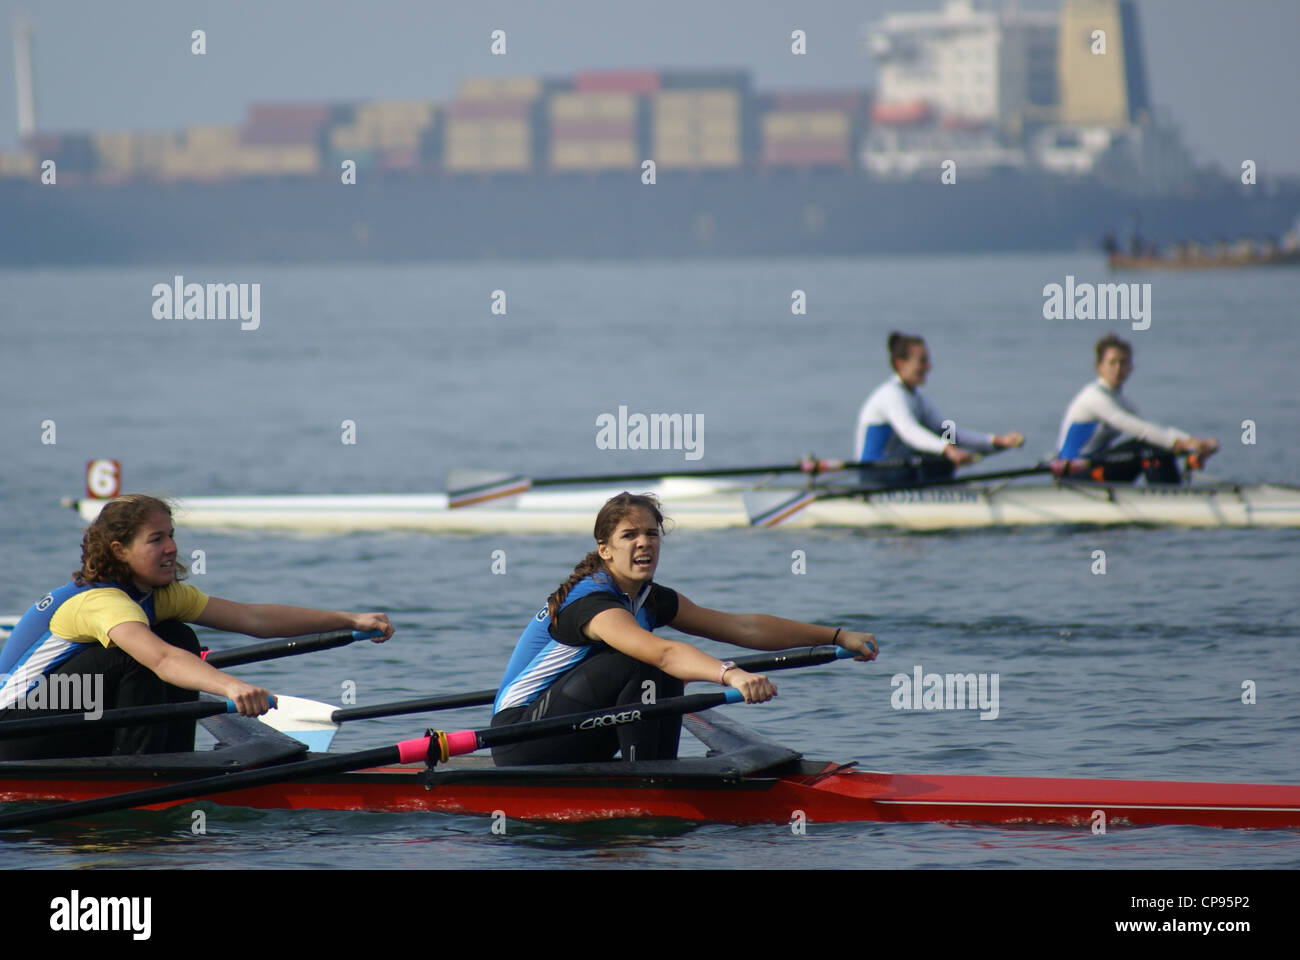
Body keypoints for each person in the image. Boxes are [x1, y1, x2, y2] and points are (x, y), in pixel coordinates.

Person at [490, 492, 878, 766]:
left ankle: (657, 769)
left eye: (652, 534)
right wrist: (732, 675)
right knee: (647, 660)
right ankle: (648, 779)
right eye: (630, 536)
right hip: (520, 738)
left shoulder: (650, 597)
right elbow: (664, 654)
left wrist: (836, 636)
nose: (644, 544)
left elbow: (741, 626)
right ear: (604, 549)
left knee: (659, 666)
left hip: (574, 728)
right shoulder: (591, 603)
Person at [0, 494, 394, 760]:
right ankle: (141, 769)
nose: (171, 547)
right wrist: (232, 687)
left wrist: (350, 619)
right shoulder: (99, 601)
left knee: (179, 635)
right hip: (17, 727)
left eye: (171, 535)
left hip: (69, 716)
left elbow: (254, 619)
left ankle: (167, 761)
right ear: (119, 550)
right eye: (156, 539)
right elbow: (163, 660)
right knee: (142, 656)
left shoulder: (158, 594)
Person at [853, 332, 1024, 486]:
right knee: (936, 450)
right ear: (900, 364)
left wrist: (997, 441)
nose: (929, 366)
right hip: (874, 474)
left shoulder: (917, 398)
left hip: (899, 469)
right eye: (922, 361)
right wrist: (949, 450)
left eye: (927, 360)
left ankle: (944, 493)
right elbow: (910, 432)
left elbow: (948, 431)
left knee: (943, 441)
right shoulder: (890, 395)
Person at [1056, 334, 1218, 484]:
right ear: (1099, 366)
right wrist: (1181, 444)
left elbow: (1151, 427)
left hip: (1096, 467)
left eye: (1123, 362)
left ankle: (1173, 496)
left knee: (1154, 443)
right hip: (1073, 474)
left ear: (1130, 368)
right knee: (1147, 446)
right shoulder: (1092, 397)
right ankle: (1171, 499)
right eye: (1112, 363)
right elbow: (1138, 429)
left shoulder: (1120, 400)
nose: (1118, 368)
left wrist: (1193, 442)